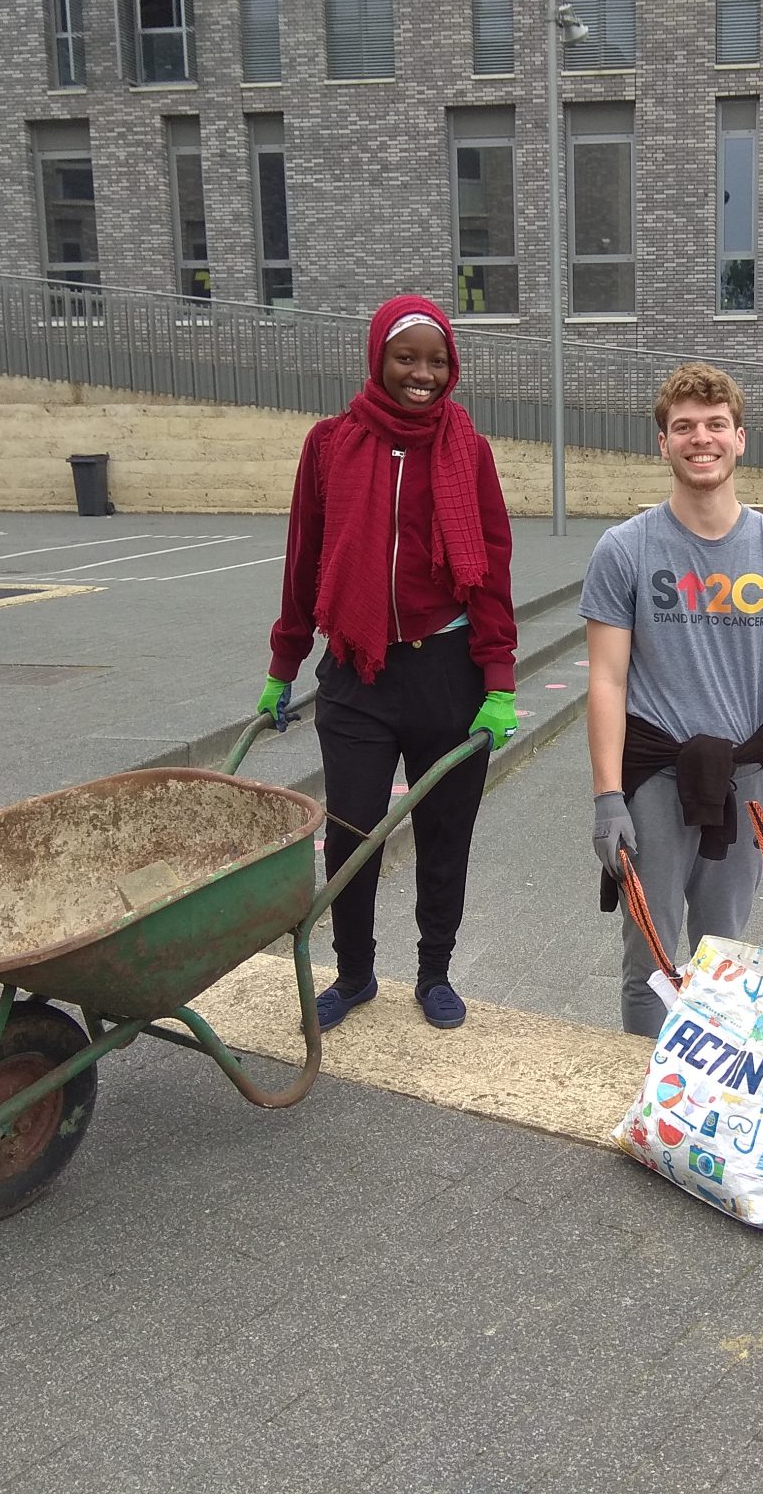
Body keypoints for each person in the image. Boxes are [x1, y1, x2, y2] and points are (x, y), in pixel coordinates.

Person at [257, 295, 518, 1032]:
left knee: (444, 831)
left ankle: (434, 970)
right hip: (357, 669)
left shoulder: (467, 449)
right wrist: (284, 665)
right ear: (378, 358)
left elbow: (491, 568)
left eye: (437, 361)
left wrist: (497, 682)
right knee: (352, 830)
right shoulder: (331, 443)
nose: (423, 375)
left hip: (448, 673)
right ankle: (356, 971)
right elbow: (305, 559)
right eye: (407, 357)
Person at [580, 362, 763, 1037]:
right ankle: (647, 1105)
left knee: (729, 961)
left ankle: (708, 1105)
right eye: (683, 427)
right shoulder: (624, 549)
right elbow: (604, 678)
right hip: (654, 778)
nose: (701, 438)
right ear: (662, 443)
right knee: (650, 962)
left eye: (715, 424)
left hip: (743, 783)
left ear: (740, 438)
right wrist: (608, 799)